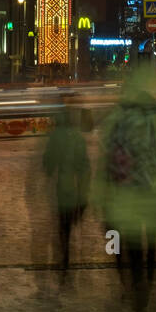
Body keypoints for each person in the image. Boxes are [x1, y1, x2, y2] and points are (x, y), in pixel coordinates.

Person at [95, 67, 156, 312]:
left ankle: (137, 298)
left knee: (131, 253)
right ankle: (152, 288)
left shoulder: (114, 122)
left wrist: (100, 196)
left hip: (125, 201)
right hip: (154, 199)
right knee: (153, 247)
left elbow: (105, 163)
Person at [42, 100, 90, 281]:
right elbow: (85, 166)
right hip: (78, 190)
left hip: (63, 189)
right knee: (74, 223)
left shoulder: (55, 137)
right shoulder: (78, 137)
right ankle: (75, 260)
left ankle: (65, 261)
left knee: (64, 227)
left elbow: (48, 164)